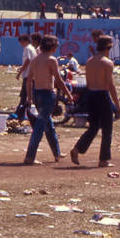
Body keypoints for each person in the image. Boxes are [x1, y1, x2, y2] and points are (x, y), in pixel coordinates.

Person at [71, 35, 120, 168]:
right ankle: (103, 159)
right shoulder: (107, 63)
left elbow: (88, 83)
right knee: (107, 129)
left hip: (91, 95)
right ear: (108, 48)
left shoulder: (89, 61)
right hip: (102, 95)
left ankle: (77, 148)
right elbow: (110, 86)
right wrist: (117, 105)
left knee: (93, 127)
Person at [23, 35, 71, 165]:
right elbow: (59, 80)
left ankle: (57, 153)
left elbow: (29, 81)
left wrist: (29, 97)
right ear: (52, 46)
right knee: (39, 128)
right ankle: (30, 156)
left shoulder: (35, 60)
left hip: (37, 93)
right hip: (47, 95)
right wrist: (68, 95)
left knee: (49, 125)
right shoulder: (51, 60)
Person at [14, 34, 38, 120]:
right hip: (31, 74)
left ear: (25, 41)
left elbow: (27, 60)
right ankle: (23, 112)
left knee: (24, 95)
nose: (21, 44)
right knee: (28, 95)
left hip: (28, 75)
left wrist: (19, 72)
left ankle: (19, 113)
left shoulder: (27, 48)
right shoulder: (32, 48)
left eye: (21, 42)